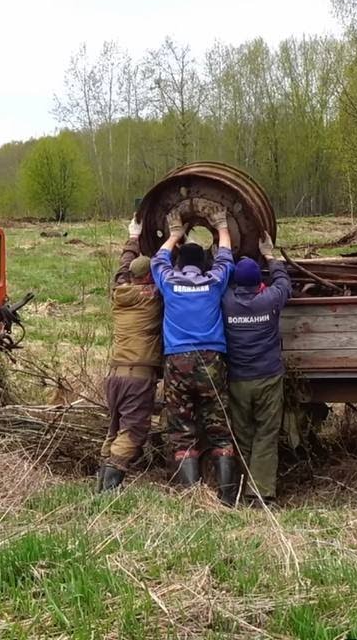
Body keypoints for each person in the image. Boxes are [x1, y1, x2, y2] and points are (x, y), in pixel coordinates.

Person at [151, 200, 239, 504]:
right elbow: (227, 256)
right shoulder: (213, 281)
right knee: (220, 429)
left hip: (177, 362)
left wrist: (175, 233)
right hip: (211, 362)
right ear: (204, 264)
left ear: (179, 264)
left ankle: (192, 498)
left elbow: (157, 259)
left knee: (181, 430)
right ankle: (227, 498)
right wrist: (222, 225)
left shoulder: (169, 280)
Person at [222, 234, 292, 505]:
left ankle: (241, 486)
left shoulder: (226, 302)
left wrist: (220, 252)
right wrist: (270, 256)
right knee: (266, 433)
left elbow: (221, 283)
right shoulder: (269, 300)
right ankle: (260, 492)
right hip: (268, 378)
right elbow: (284, 283)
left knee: (243, 433)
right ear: (259, 283)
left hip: (239, 379)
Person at [97, 214, 163, 491]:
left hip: (115, 376)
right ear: (149, 277)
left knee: (114, 431)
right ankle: (107, 492)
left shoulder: (119, 292)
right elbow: (170, 277)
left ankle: (100, 482)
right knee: (133, 432)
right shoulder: (153, 298)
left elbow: (123, 268)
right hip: (138, 377)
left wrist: (133, 237)